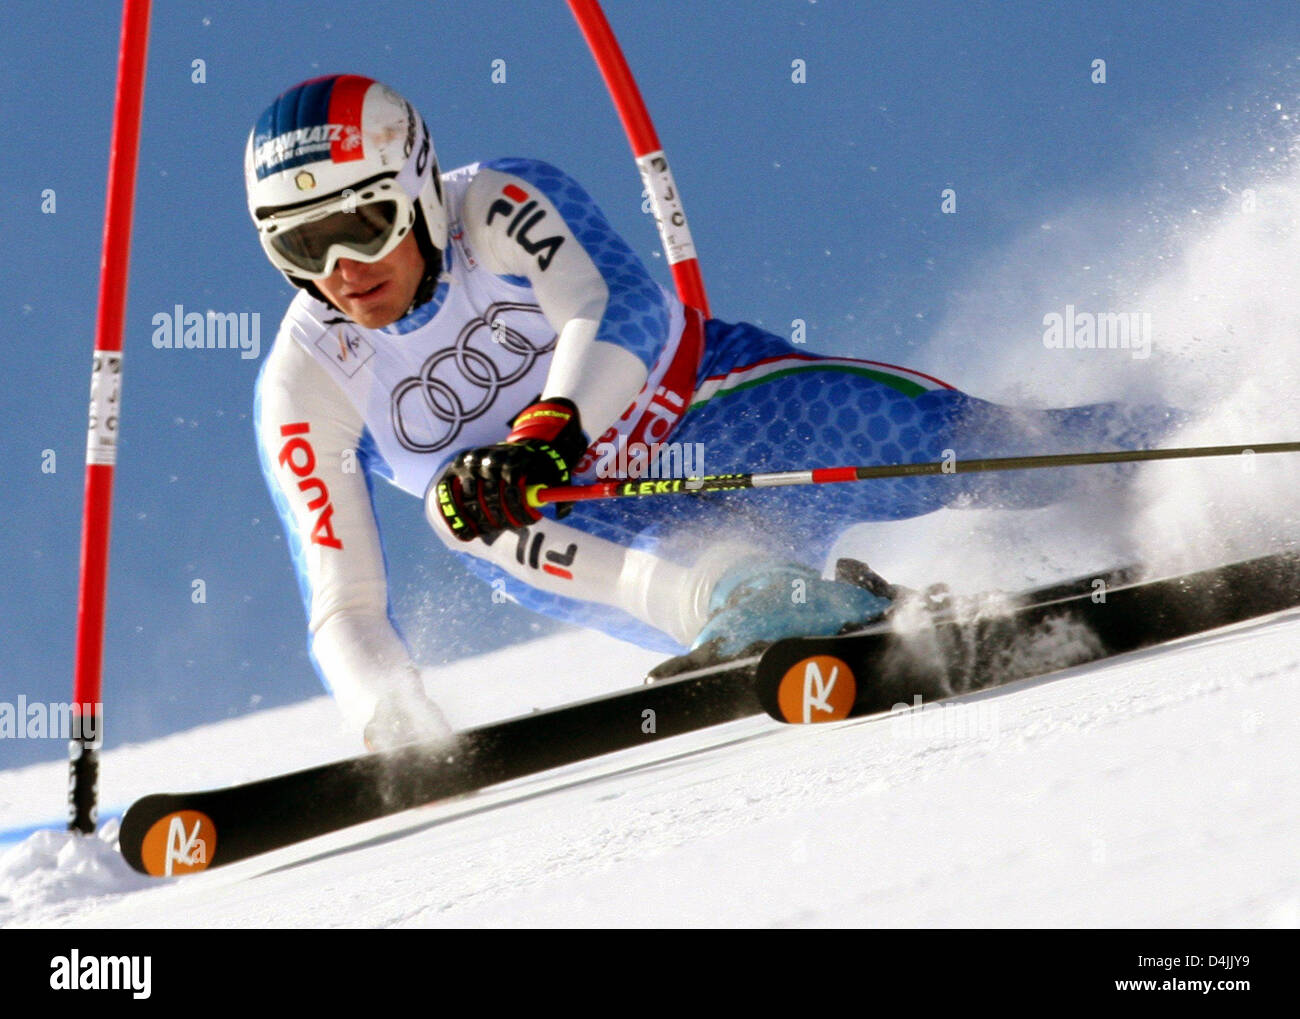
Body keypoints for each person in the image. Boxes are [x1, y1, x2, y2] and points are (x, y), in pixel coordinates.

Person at [246, 74, 1177, 748]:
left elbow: (621, 308)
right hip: (614, 543)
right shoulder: (307, 378)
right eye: (301, 246)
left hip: (719, 413)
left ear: (414, 189)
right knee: (462, 509)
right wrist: (389, 722)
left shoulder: (494, 202)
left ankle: (1200, 448)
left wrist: (548, 430)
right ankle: (747, 597)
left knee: (955, 446)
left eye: (361, 226)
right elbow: (345, 603)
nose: (341, 272)